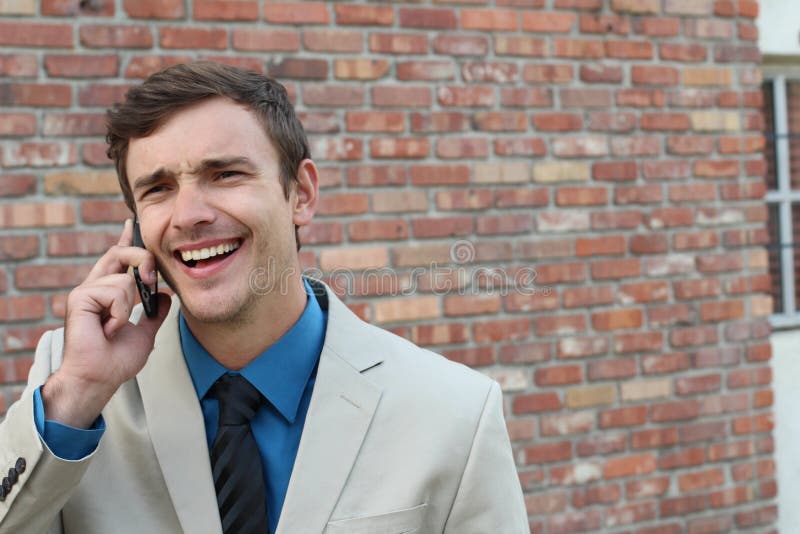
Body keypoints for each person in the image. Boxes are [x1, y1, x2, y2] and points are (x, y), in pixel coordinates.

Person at [0, 62, 528, 534]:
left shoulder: (454, 412)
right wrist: (77, 394)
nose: (189, 215)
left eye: (225, 174)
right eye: (158, 189)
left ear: (301, 194)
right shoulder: (70, 389)